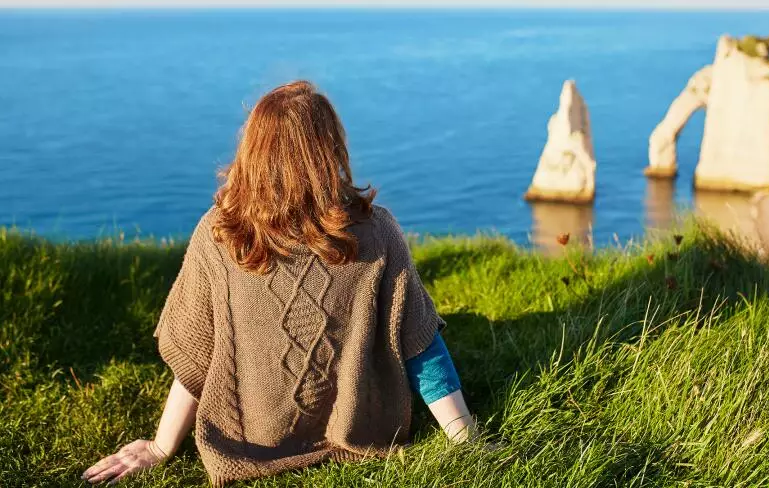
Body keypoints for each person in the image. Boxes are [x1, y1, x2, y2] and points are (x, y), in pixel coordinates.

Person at [82, 81, 476, 486]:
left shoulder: (221, 235)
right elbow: (420, 344)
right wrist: (465, 436)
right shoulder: (376, 233)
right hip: (362, 428)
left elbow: (197, 355)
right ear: (329, 150)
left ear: (253, 149)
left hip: (251, 437)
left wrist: (161, 447)